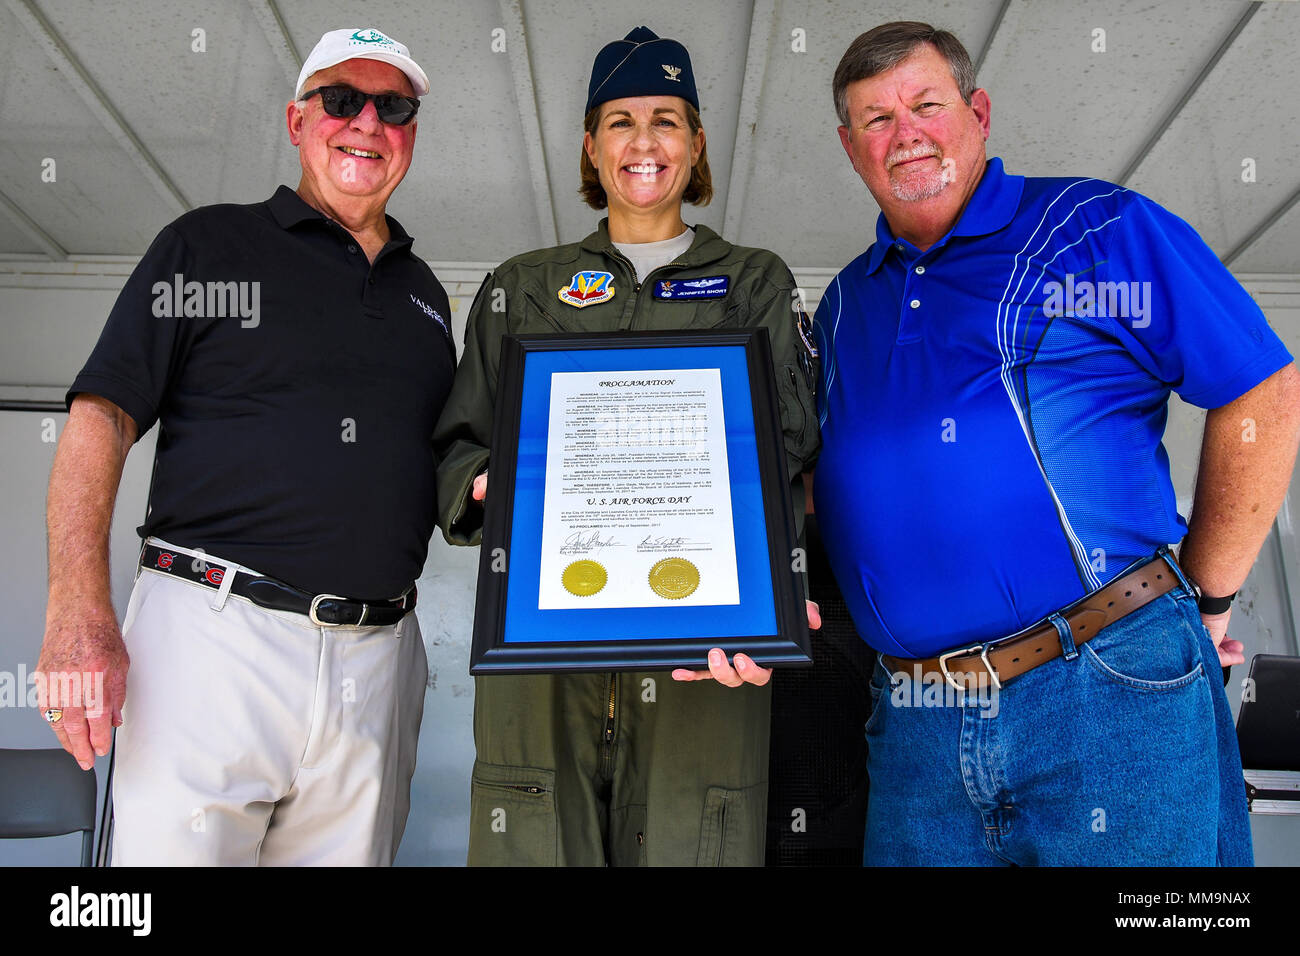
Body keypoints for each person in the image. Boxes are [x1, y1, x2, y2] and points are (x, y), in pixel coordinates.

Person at [813, 21, 1300, 866]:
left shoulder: (1095, 232)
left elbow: (1263, 391)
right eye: (876, 120)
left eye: (926, 104)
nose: (907, 134)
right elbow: (828, 485)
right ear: (851, 148)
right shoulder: (845, 307)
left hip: (1105, 689)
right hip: (916, 723)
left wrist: (1208, 596)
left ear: (978, 111)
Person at [35, 27, 454, 865]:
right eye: (342, 100)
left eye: (393, 106)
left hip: (378, 663)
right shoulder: (209, 245)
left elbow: (453, 472)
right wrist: (76, 607)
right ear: (298, 121)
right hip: (211, 640)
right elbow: (103, 415)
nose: (367, 122)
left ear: (410, 133)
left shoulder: (428, 300)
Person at [434, 25, 820, 866]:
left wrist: (776, 600)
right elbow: (459, 446)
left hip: (706, 656)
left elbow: (791, 447)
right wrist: (483, 487)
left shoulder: (756, 280)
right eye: (620, 121)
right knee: (530, 839)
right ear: (590, 145)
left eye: (666, 120)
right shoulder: (522, 286)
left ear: (697, 144)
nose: (643, 142)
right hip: (539, 656)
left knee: (697, 839)